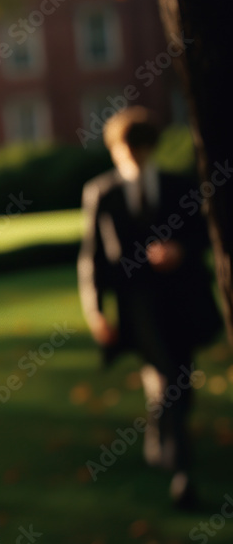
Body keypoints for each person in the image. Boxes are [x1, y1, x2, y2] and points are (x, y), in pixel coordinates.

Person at [78, 105, 222, 509]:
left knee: (176, 375)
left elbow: (201, 236)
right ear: (115, 151)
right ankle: (182, 471)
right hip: (137, 304)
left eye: (141, 150)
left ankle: (164, 442)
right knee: (169, 372)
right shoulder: (103, 193)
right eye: (127, 150)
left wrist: (179, 251)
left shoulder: (179, 186)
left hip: (181, 300)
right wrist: (96, 311)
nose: (134, 159)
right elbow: (91, 257)